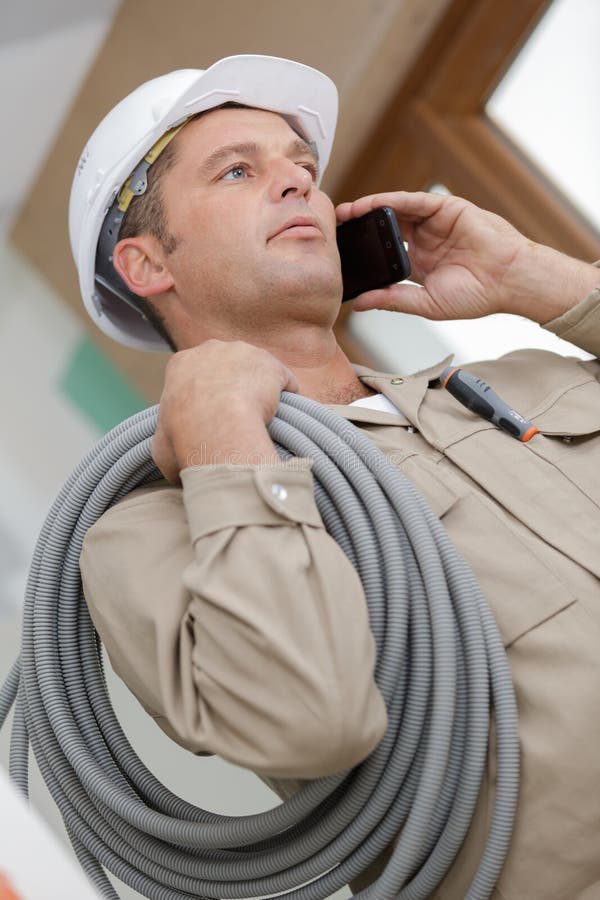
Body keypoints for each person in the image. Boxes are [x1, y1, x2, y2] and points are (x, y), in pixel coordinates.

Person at [71, 55, 600, 899]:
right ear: (146, 266)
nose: (296, 185)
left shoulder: (533, 380)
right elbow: (310, 720)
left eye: (303, 168)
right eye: (240, 169)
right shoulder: (146, 533)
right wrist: (223, 441)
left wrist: (542, 281)